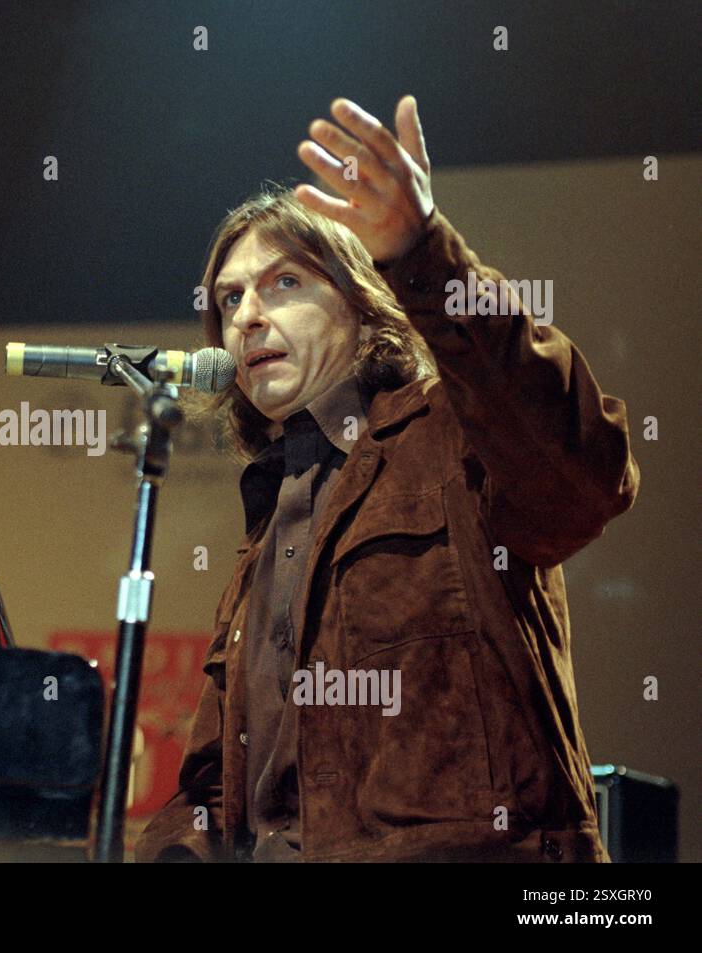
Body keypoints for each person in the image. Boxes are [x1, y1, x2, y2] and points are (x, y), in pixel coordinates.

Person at [135, 96, 638, 862]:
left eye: (283, 285)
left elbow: (584, 477)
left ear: (363, 302)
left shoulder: (454, 433)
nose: (245, 318)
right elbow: (215, 783)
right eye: (230, 298)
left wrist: (423, 255)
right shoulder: (269, 522)